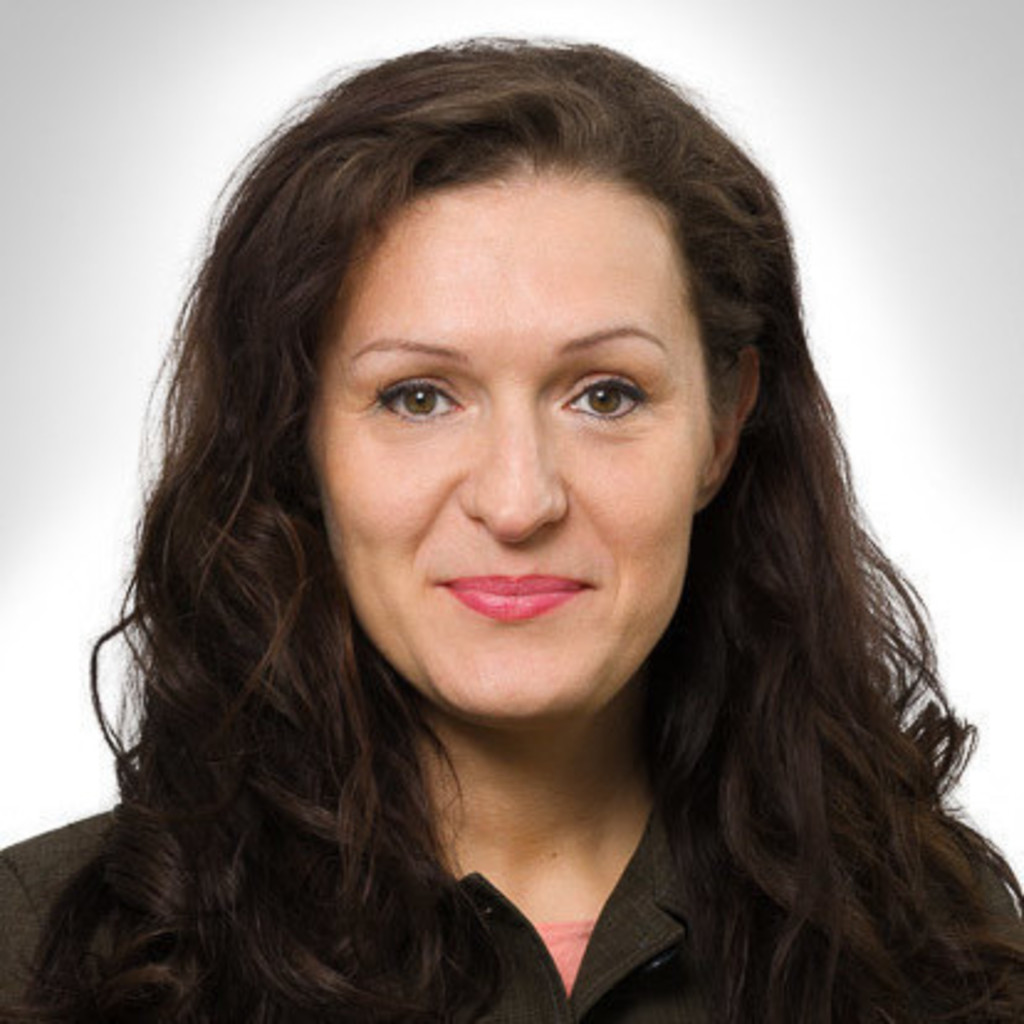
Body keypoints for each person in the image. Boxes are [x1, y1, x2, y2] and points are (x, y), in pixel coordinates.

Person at [1, 37, 1021, 1023]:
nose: (519, 501)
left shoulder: (935, 941)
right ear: (297, 438)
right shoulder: (50, 952)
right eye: (417, 397)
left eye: (607, 394)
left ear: (722, 427)